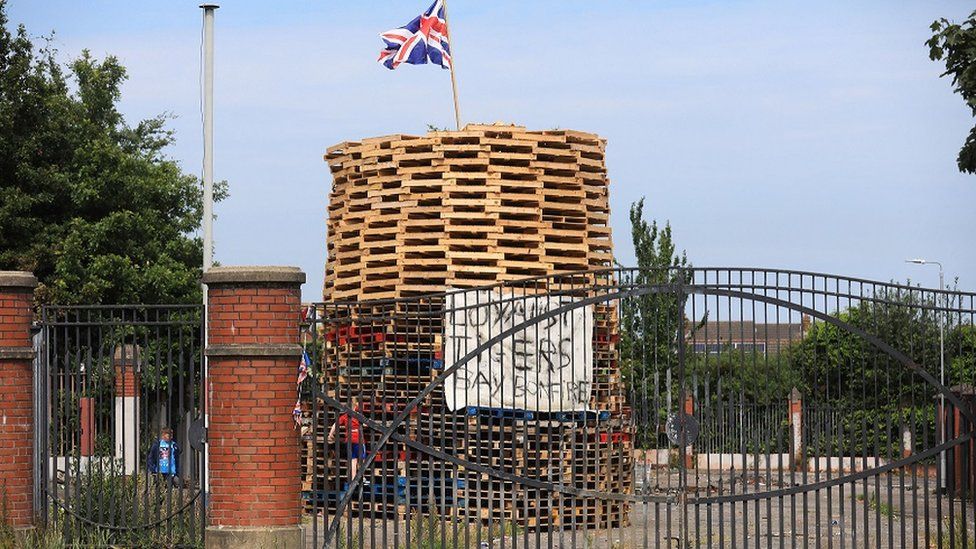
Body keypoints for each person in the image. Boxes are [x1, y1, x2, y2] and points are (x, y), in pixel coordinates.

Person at [327, 397, 365, 484]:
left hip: (349, 440)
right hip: (359, 440)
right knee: (362, 459)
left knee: (353, 459)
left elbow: (335, 424)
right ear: (355, 406)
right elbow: (366, 424)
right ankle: (361, 477)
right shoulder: (358, 416)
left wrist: (330, 434)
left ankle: (353, 478)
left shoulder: (344, 416)